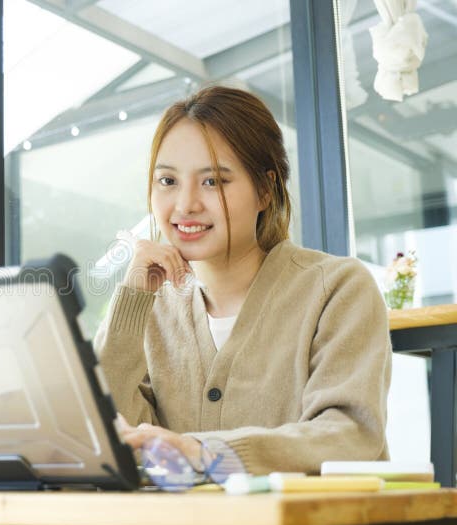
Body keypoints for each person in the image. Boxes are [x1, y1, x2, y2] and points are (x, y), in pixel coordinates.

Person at [94, 85, 392, 475]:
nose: (185, 204)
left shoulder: (337, 289)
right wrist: (133, 300)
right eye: (167, 181)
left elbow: (351, 435)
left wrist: (204, 451)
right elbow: (103, 436)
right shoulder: (153, 310)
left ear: (265, 190)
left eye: (213, 181)